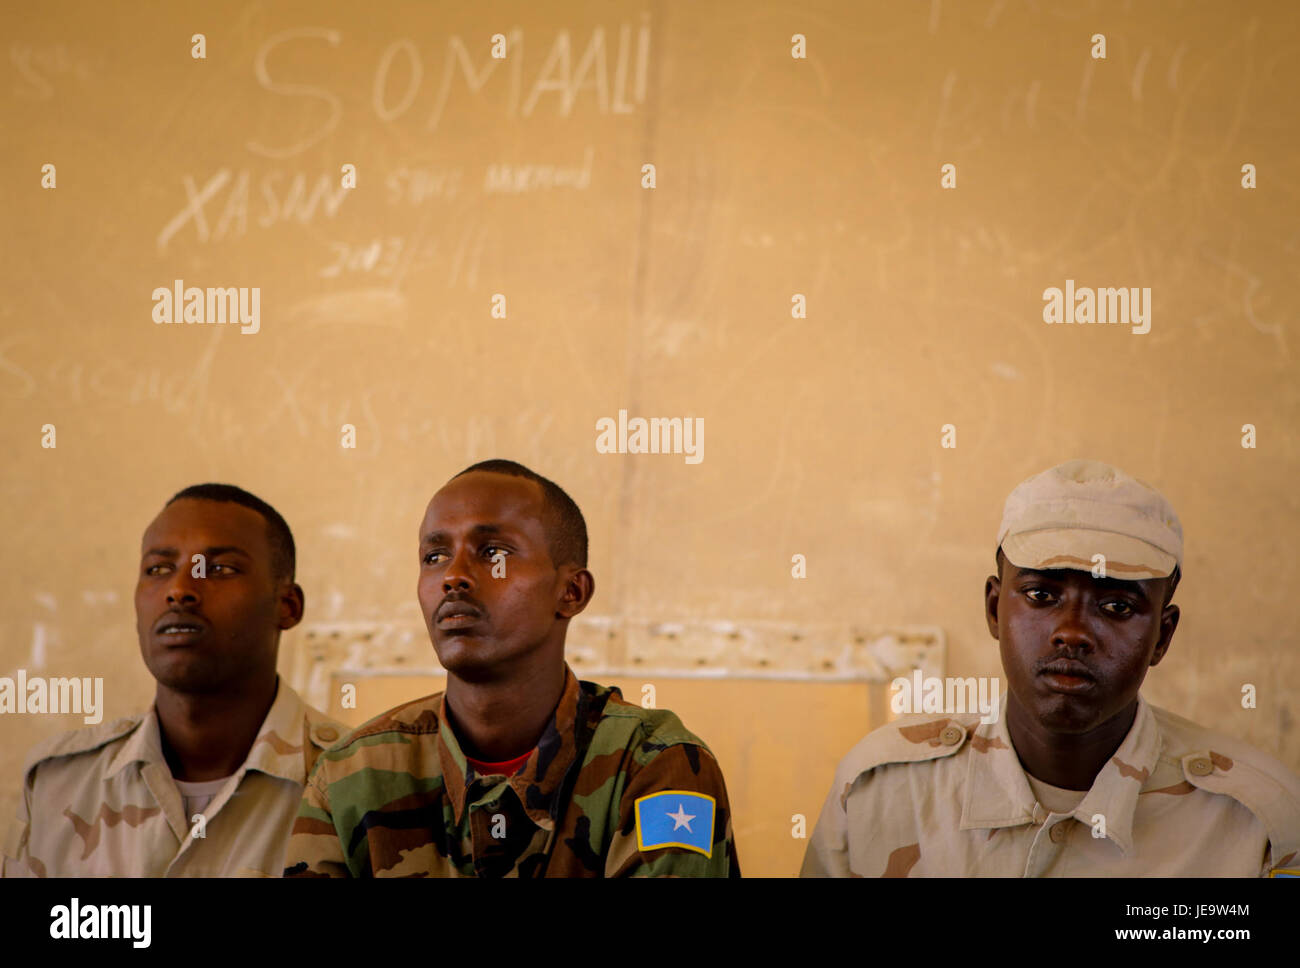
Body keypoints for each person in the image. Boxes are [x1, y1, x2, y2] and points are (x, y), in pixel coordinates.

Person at [803, 459, 1300, 877]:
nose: (1073, 632)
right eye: (1042, 595)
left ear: (1162, 637)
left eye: (1117, 607)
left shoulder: (1259, 821)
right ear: (995, 609)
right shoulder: (880, 790)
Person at [285, 459, 739, 877]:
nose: (453, 576)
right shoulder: (352, 776)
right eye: (434, 556)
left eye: (493, 553)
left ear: (572, 592)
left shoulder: (655, 765)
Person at [1, 484, 345, 877]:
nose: (180, 590)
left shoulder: (353, 782)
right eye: (158, 569)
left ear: (287, 605)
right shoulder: (60, 782)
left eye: (220, 569)